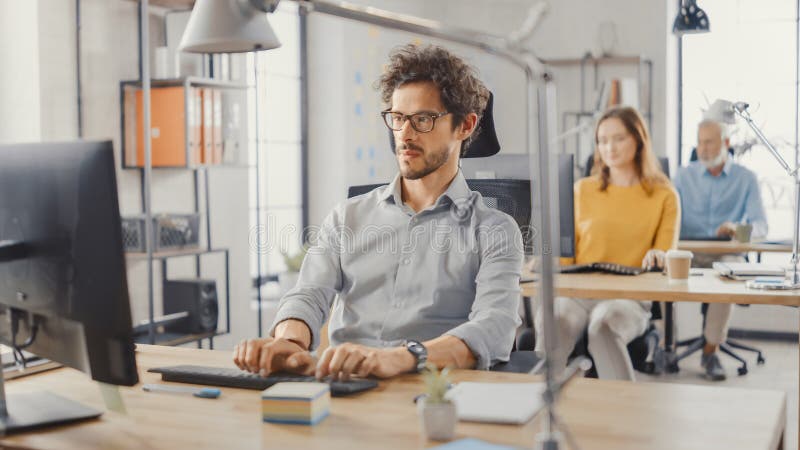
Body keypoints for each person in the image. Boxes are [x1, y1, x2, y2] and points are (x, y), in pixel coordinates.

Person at [233, 44, 523, 380]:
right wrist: (291, 342)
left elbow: (495, 326)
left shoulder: (495, 230)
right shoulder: (347, 217)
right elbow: (309, 293)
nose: (405, 134)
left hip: (430, 394)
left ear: (466, 126)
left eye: (424, 120)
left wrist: (400, 358)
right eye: (398, 118)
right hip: (341, 388)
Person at [535, 106, 679, 381]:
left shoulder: (664, 195)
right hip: (580, 292)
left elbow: (665, 254)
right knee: (554, 318)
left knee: (603, 324)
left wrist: (657, 256)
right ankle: (539, 406)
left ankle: (624, 410)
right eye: (602, 140)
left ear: (638, 140)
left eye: (618, 138)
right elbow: (565, 255)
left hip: (631, 298)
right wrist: (547, 258)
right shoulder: (582, 190)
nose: (608, 147)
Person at [673, 118, 768, 381]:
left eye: (709, 142)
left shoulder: (746, 179)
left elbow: (761, 225)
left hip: (725, 252)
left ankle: (710, 350)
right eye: (699, 142)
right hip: (688, 250)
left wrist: (738, 228)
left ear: (726, 143)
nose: (702, 149)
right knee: (661, 268)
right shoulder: (683, 176)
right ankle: (662, 345)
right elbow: (666, 215)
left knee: (727, 274)